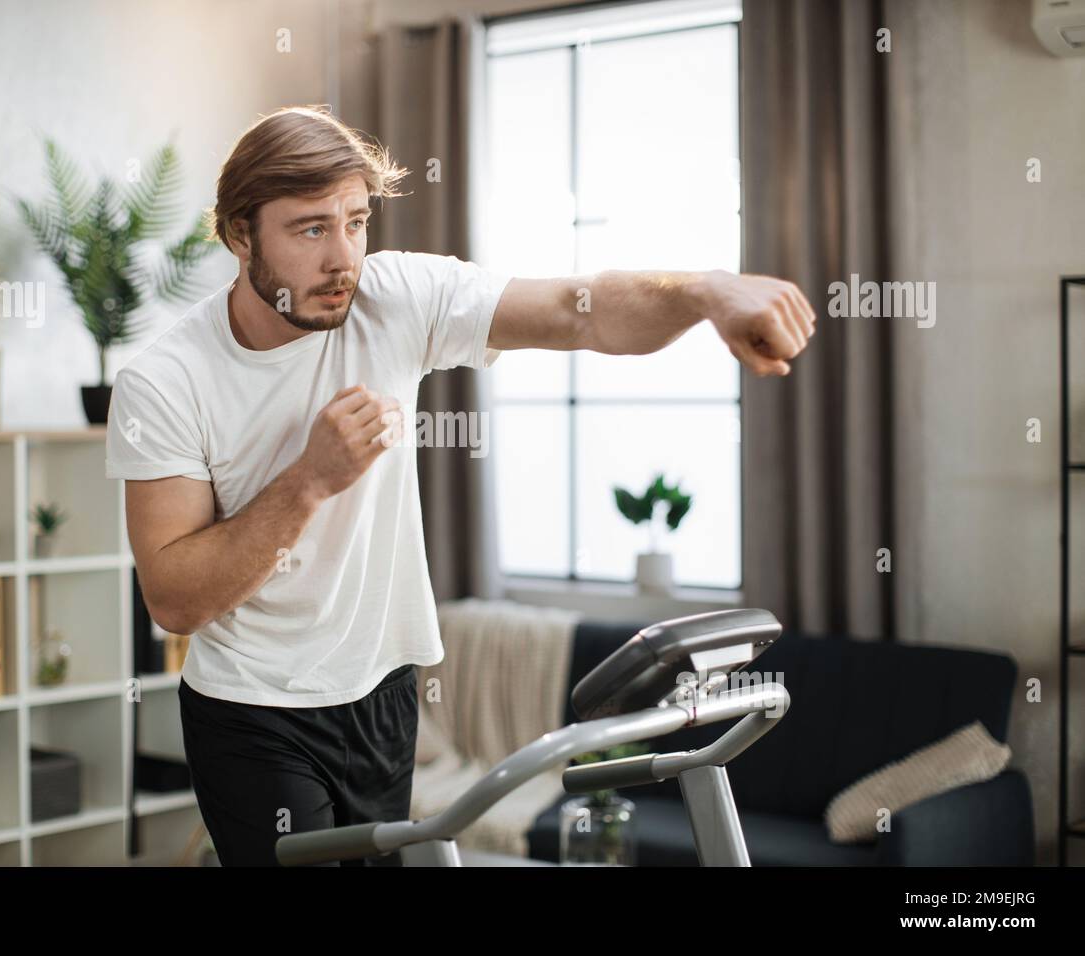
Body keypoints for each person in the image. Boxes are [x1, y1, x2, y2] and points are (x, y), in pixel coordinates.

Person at [105, 104, 816, 866]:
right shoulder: (166, 382)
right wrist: (310, 481)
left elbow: (581, 313)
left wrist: (707, 292)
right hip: (254, 712)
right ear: (239, 235)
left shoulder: (394, 297)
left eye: (356, 220)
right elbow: (175, 599)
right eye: (311, 229)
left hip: (382, 698)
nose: (343, 256)